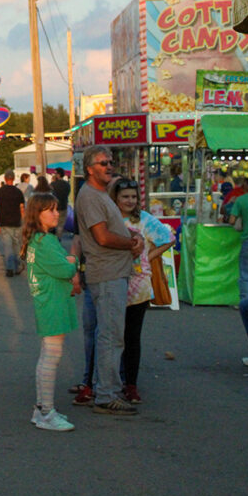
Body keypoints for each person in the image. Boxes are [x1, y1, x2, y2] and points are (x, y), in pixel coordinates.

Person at [75, 145, 143, 417]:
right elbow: (101, 237)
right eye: (103, 163)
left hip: (114, 272)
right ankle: (106, 394)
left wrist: (131, 238)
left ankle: (107, 390)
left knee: (111, 335)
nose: (109, 166)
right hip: (107, 273)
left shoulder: (100, 195)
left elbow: (109, 229)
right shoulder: (90, 196)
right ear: (90, 168)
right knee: (111, 336)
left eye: (110, 162)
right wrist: (130, 243)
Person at [109, 178, 173, 404]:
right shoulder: (109, 217)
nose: (129, 201)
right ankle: (108, 383)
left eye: (133, 197)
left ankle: (131, 385)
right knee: (111, 336)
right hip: (111, 280)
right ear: (115, 197)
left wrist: (146, 257)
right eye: (125, 196)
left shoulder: (144, 219)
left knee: (132, 337)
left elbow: (168, 238)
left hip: (138, 286)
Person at [22, 193, 81, 431]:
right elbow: (65, 269)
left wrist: (68, 261)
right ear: (38, 214)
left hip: (47, 300)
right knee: (52, 356)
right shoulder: (45, 241)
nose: (57, 214)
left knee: (48, 355)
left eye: (57, 209)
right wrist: (73, 261)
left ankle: (41, 408)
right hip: (53, 302)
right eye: (51, 210)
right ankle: (46, 411)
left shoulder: (37, 239)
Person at [0, 170, 25, 278]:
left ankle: (9, 268)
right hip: (17, 221)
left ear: (5, 179)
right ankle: (18, 266)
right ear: (13, 179)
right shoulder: (18, 192)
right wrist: (23, 221)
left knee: (7, 246)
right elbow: (21, 208)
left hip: (4, 221)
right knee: (17, 245)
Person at [50, 170, 71, 238]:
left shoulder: (53, 184)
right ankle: (58, 238)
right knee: (60, 224)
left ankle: (53, 239)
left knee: (53, 224)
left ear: (58, 175)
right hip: (64, 206)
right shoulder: (67, 184)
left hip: (54, 207)